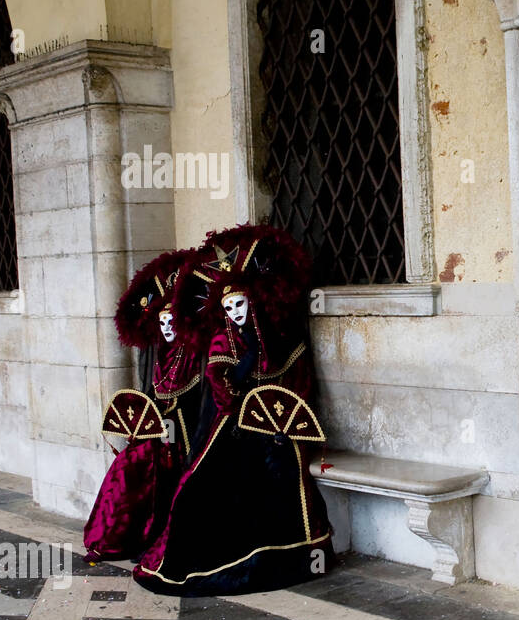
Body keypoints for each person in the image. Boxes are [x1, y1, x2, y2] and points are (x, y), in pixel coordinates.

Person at [133, 224, 334, 594]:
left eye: (240, 304)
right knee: (212, 485)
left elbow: (297, 379)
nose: (236, 312)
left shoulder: (275, 335)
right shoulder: (223, 339)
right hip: (230, 429)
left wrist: (283, 418)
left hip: (275, 433)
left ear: (253, 300)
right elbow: (220, 384)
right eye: (228, 307)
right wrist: (244, 390)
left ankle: (293, 556)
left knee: (284, 476)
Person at [84, 249, 204, 563]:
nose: (166, 329)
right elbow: (150, 396)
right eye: (161, 323)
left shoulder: (194, 354)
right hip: (161, 436)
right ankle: (118, 536)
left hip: (187, 438)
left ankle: (158, 533)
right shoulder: (156, 355)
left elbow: (199, 401)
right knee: (128, 464)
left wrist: (170, 432)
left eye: (171, 322)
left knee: (154, 466)